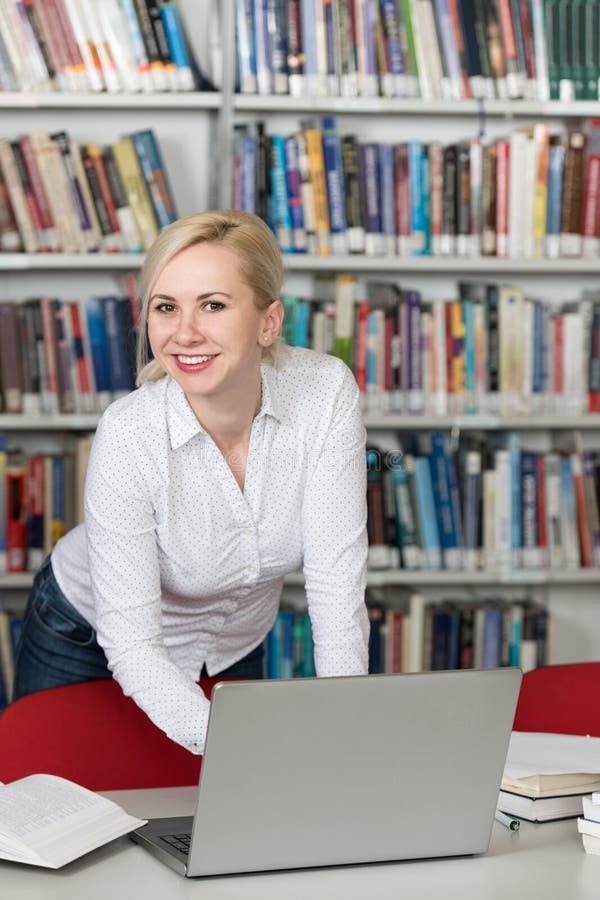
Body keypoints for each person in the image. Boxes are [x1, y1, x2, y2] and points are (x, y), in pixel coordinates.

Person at [12, 209, 369, 754]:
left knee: (218, 813)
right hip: (83, 634)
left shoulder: (324, 394)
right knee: (56, 804)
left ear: (268, 322)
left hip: (232, 644)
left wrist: (348, 731)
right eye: (165, 307)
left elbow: (335, 588)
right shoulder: (129, 434)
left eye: (213, 305)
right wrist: (240, 746)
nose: (184, 332)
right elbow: (132, 645)